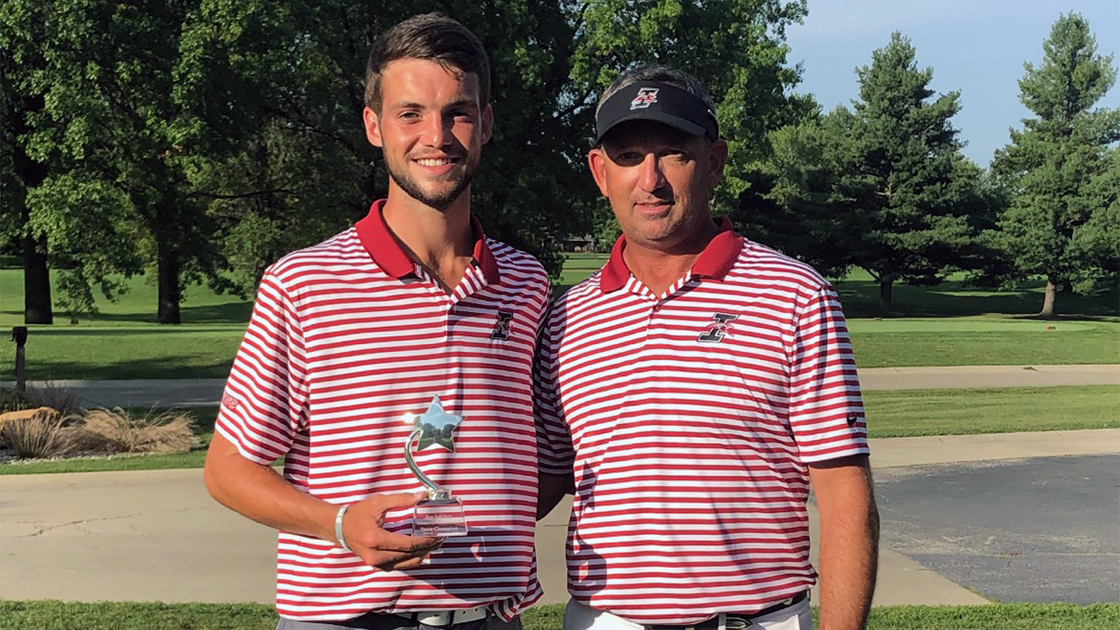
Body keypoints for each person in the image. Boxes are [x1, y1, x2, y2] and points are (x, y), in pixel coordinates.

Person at [204, 13, 550, 630]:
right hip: (346, 618)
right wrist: (338, 524)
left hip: (490, 619)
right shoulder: (304, 284)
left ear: (487, 123)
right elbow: (229, 471)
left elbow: (540, 451)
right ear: (374, 125)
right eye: (410, 113)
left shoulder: (526, 285)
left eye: (458, 113)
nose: (436, 136)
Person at [535, 64, 879, 630]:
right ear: (600, 172)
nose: (650, 179)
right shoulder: (566, 316)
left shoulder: (794, 293)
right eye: (628, 157)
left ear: (714, 161)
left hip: (754, 620)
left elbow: (844, 492)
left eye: (673, 152)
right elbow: (543, 479)